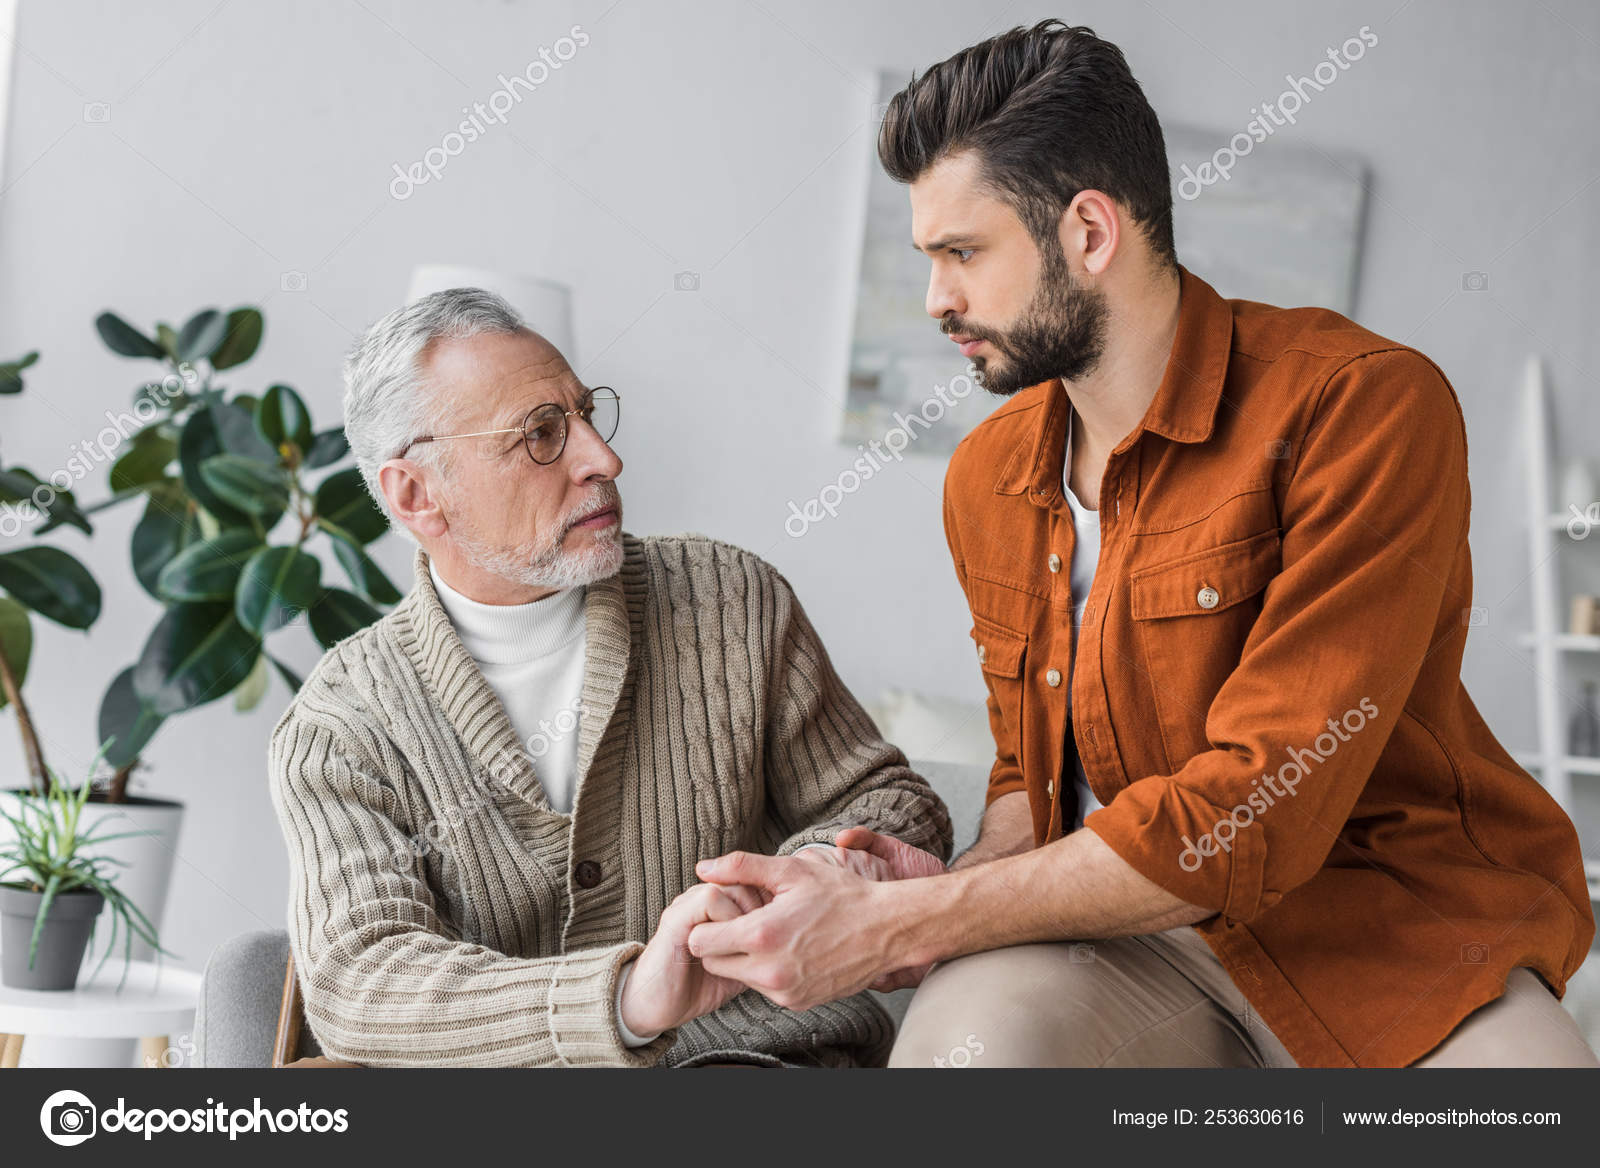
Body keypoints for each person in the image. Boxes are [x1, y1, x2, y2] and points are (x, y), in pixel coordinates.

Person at [688, 21, 1598, 1068]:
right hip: (1122, 944)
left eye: (962, 253)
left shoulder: (1364, 405)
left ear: (1087, 232)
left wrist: (900, 926)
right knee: (967, 1052)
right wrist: (948, 884)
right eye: (930, 258)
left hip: (1390, 937)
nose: (938, 299)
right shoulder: (986, 476)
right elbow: (1035, 787)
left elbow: (1257, 814)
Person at [267, 287, 951, 1067]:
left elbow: (898, 805)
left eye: (586, 415)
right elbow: (364, 981)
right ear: (417, 495)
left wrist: (819, 867)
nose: (603, 458)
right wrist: (626, 998)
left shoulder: (731, 597)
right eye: (542, 436)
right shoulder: (340, 725)